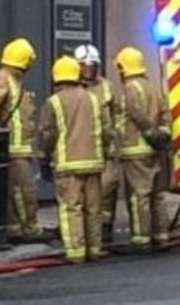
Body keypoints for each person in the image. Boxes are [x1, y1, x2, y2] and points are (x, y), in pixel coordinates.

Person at [39, 56, 111, 263]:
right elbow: (107, 130)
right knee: (93, 207)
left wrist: (44, 157)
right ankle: (95, 248)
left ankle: (76, 251)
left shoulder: (53, 102)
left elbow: (47, 134)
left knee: (72, 208)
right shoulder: (94, 99)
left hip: (68, 164)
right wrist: (104, 154)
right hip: (94, 163)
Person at [0, 37, 45, 243]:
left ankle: (16, 228)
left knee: (17, 191)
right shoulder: (4, 77)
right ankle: (27, 229)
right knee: (24, 191)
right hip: (14, 149)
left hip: (20, 148)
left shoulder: (14, 79)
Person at [113, 46, 171, 250]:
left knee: (140, 196)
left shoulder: (130, 87)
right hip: (153, 150)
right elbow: (165, 113)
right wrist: (162, 134)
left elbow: (136, 113)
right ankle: (161, 234)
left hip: (135, 149)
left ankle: (141, 237)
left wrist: (149, 133)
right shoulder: (153, 87)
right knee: (157, 195)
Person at [74, 43, 121, 245]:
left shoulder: (106, 87)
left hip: (105, 149)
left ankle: (105, 227)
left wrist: (115, 139)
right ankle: (84, 231)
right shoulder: (72, 87)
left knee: (108, 188)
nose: (89, 69)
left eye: (92, 65)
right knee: (81, 194)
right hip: (82, 148)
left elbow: (118, 114)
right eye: (84, 65)